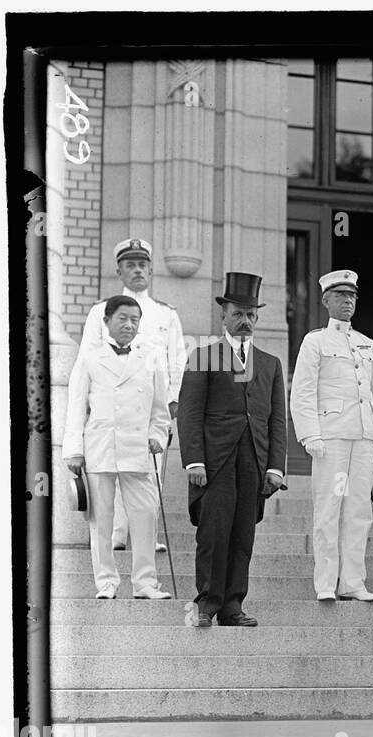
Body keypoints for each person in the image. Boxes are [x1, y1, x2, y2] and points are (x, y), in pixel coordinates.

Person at [177, 272, 287, 627]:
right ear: (223, 315)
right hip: (214, 462)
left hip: (253, 461)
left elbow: (276, 422)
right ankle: (208, 603)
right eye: (238, 313)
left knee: (243, 534)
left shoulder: (270, 364)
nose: (245, 321)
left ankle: (232, 605)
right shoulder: (204, 356)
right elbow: (190, 413)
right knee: (214, 532)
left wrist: (275, 468)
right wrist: (194, 459)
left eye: (251, 315)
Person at [291, 269, 373, 603]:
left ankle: (353, 581)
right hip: (332, 441)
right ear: (325, 300)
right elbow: (303, 393)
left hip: (362, 440)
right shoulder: (315, 341)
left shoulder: (365, 344)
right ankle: (325, 582)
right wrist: (310, 435)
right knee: (329, 509)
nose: (347, 301)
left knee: (358, 512)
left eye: (351, 296)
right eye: (340, 296)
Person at [80, 237, 187, 554]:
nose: (137, 270)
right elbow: (88, 357)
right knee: (111, 469)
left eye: (142, 264)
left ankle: (146, 535)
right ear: (119, 271)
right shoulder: (102, 311)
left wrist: (173, 399)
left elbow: (177, 358)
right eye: (130, 265)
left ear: (151, 270)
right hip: (112, 404)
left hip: (151, 406)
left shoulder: (165, 314)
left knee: (150, 473)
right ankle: (115, 535)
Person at [63, 294, 171, 600]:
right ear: (107, 321)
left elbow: (160, 409)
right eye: (122, 318)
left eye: (135, 319)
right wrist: (74, 451)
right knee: (101, 523)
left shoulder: (150, 357)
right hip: (101, 447)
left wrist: (157, 436)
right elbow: (75, 406)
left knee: (145, 517)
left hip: (138, 449)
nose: (129, 324)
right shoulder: (90, 358)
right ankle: (106, 583)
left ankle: (146, 583)